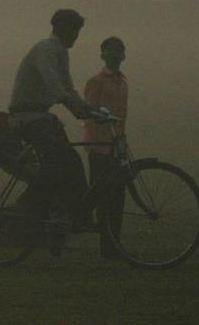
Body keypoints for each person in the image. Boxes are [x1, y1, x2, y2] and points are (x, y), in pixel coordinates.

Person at [8, 9, 95, 237]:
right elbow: (56, 86)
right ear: (64, 30)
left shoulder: (60, 52)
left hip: (39, 115)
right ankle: (30, 204)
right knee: (58, 159)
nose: (77, 36)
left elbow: (67, 88)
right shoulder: (46, 50)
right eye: (75, 31)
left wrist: (84, 110)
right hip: (27, 117)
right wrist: (81, 109)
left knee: (71, 159)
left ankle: (77, 214)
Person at [83, 36, 129, 257]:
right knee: (102, 195)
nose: (115, 55)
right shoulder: (96, 81)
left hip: (117, 145)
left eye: (119, 51)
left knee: (118, 195)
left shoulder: (123, 82)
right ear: (103, 54)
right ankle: (106, 245)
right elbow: (88, 113)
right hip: (99, 145)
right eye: (110, 51)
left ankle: (114, 243)